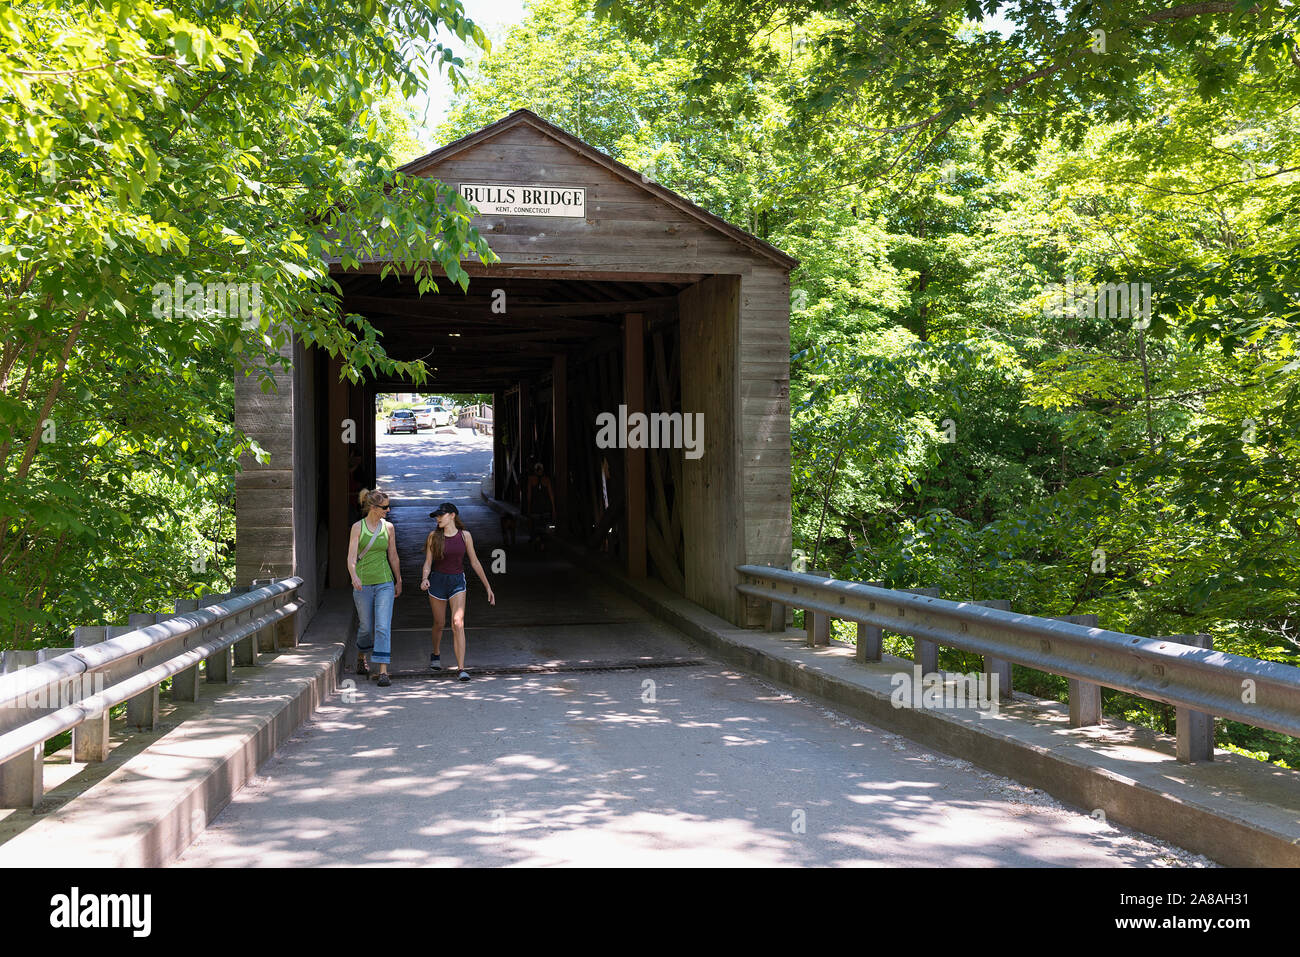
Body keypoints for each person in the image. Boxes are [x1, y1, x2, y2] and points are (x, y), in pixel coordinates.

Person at [420, 502, 495, 681]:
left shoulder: (465, 536)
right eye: (436, 516)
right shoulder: (433, 536)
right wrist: (424, 578)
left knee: (458, 623)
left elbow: (475, 562)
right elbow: (428, 563)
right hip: (437, 582)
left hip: (457, 582)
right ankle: (436, 654)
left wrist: (488, 586)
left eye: (441, 515)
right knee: (439, 623)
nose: (438, 518)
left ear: (452, 515)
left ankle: (461, 668)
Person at [348, 488, 401, 687]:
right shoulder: (357, 527)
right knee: (365, 627)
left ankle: (383, 670)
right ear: (373, 507)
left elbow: (393, 555)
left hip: (384, 581)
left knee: (382, 626)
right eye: (385, 507)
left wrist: (399, 579)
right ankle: (361, 656)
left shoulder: (389, 528)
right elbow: (351, 557)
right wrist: (353, 576)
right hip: (363, 583)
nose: (388, 510)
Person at [525, 461, 555, 551]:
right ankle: (542, 542)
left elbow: (529, 495)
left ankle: (535, 539)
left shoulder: (531, 479)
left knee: (534, 525)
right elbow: (551, 495)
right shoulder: (547, 480)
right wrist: (554, 509)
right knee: (545, 525)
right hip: (545, 507)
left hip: (535, 507)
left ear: (535, 470)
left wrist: (528, 508)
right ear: (542, 470)